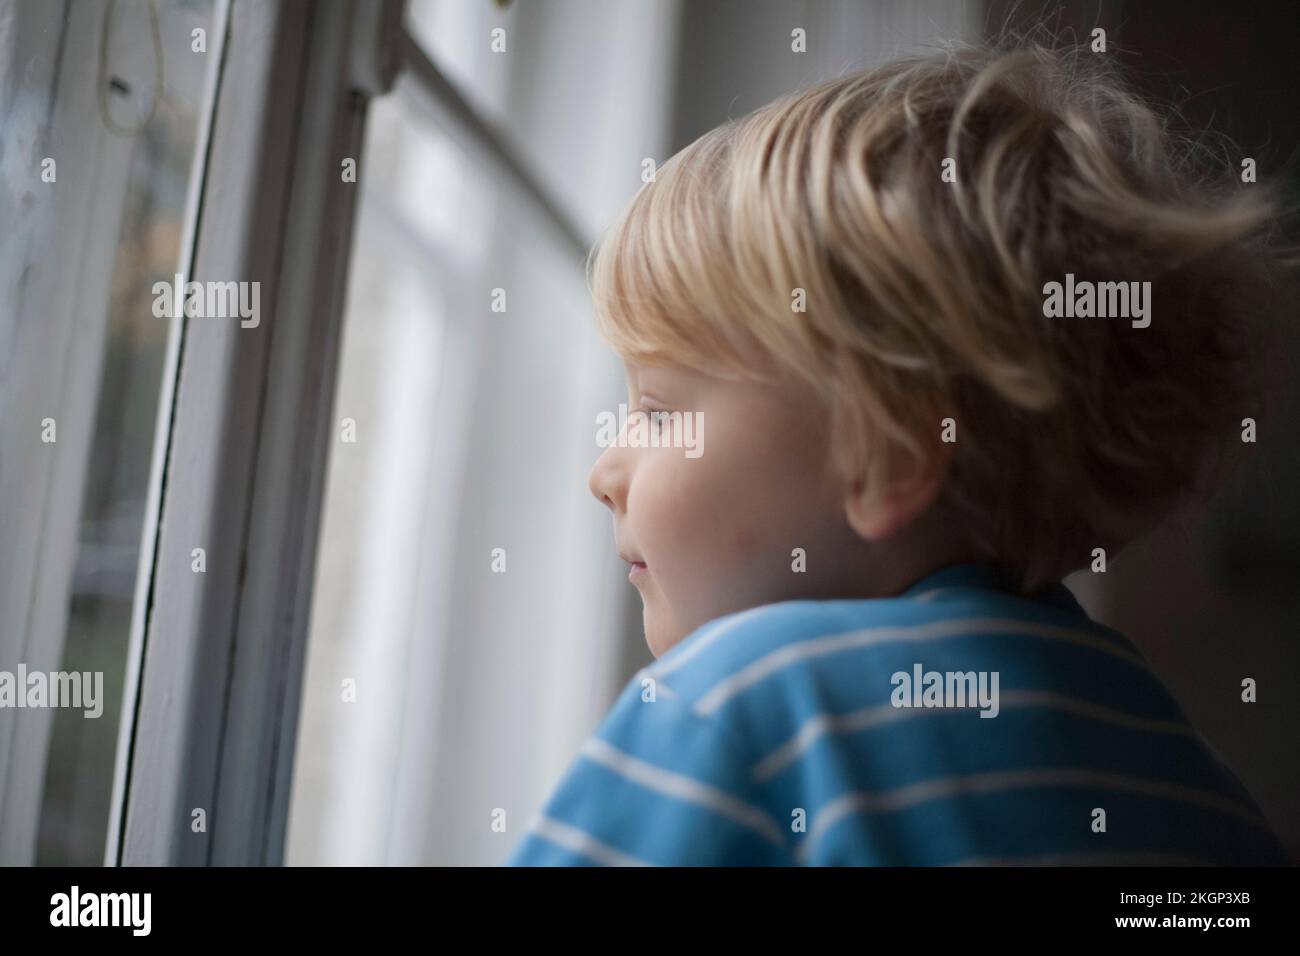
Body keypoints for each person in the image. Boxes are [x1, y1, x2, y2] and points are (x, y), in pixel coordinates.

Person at [507, 41, 1293, 866]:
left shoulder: (749, 704)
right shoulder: (1183, 766)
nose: (604, 473)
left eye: (659, 412)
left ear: (890, 455)